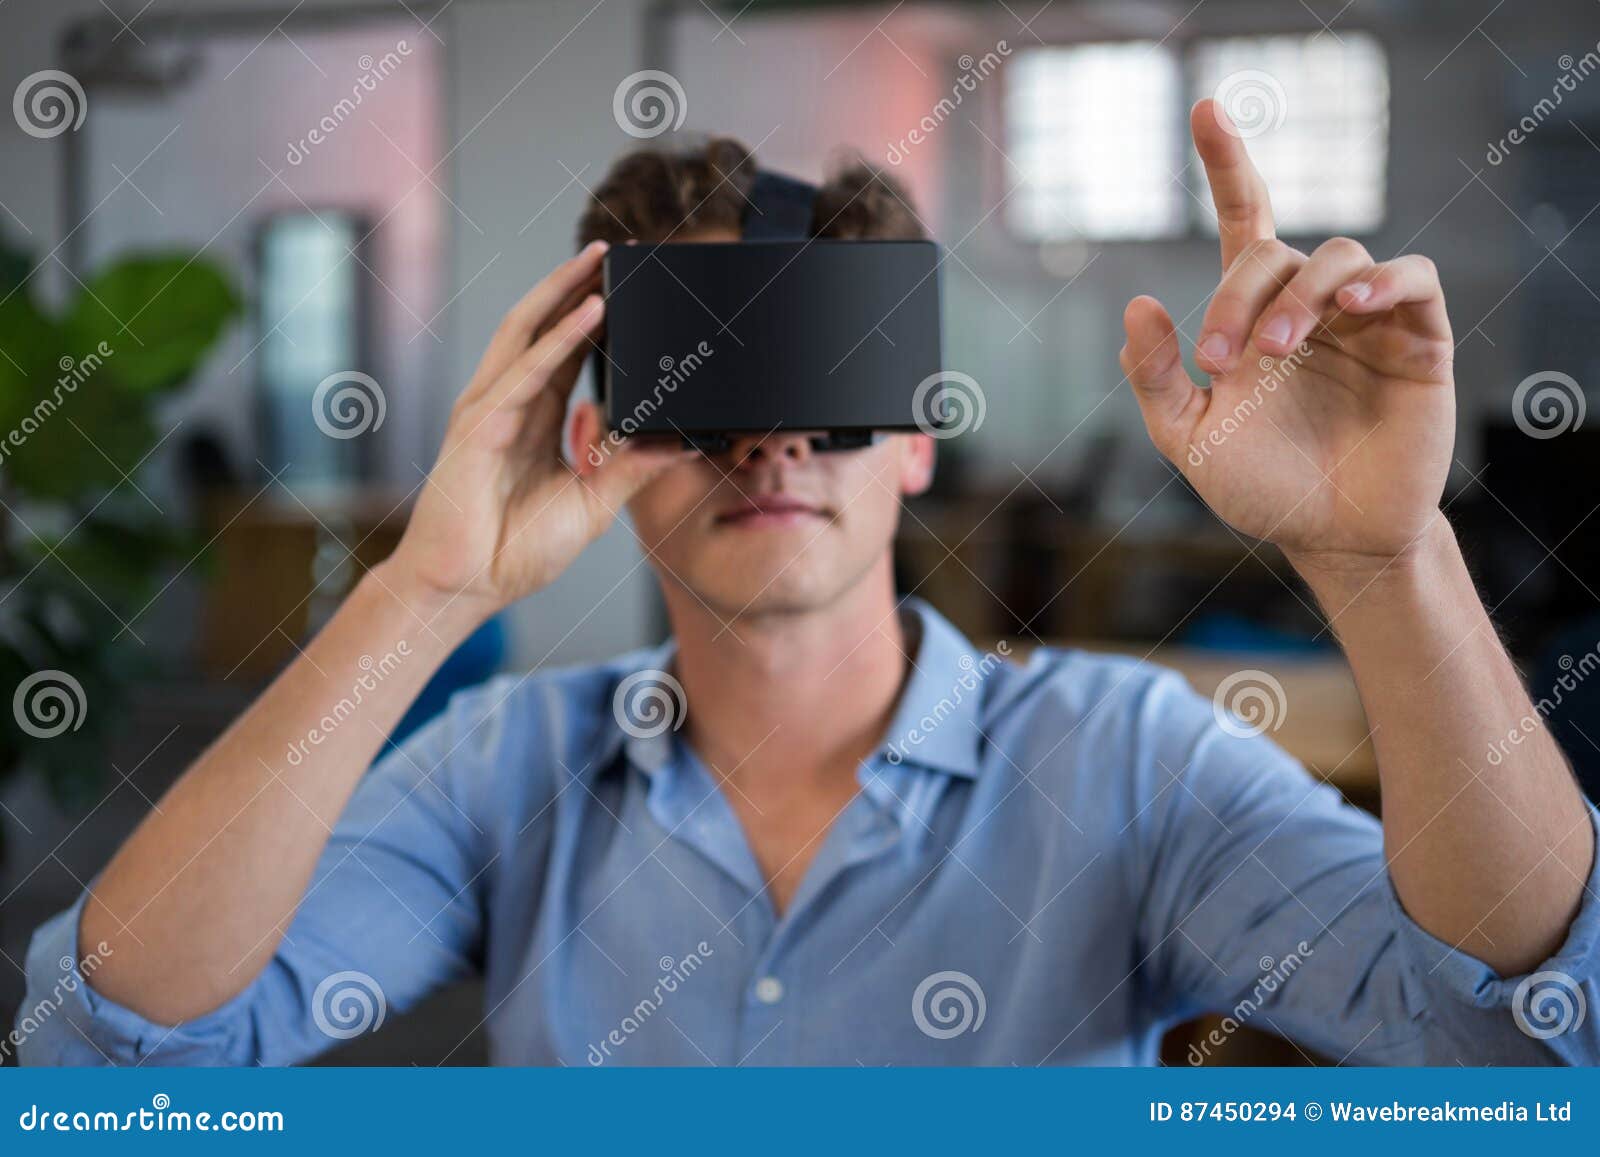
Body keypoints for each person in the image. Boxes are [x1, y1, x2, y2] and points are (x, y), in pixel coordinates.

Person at [18, 102, 1599, 1066]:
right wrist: (426, 589)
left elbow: (1526, 1049)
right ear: (600, 431)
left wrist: (1381, 555)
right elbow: (111, 1063)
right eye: (702, 384)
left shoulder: (1130, 762)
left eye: (828, 384)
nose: (771, 438)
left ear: (915, 442)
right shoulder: (502, 775)